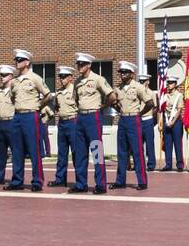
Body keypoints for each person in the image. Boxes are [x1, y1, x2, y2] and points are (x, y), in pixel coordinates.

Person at [72, 53, 115, 194]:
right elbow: (76, 100)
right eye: (78, 64)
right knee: (80, 153)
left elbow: (112, 95)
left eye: (83, 64)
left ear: (89, 65)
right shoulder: (77, 82)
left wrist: (103, 106)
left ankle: (101, 185)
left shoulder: (98, 79)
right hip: (81, 117)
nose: (80, 66)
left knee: (96, 151)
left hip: (93, 117)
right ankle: (80, 184)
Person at [9, 48, 51, 192]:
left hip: (30, 115)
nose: (16, 62)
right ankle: (17, 181)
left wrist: (38, 106)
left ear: (27, 62)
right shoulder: (14, 82)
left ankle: (37, 181)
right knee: (17, 150)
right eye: (16, 60)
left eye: (19, 60)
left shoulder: (35, 78)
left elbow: (47, 95)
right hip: (17, 115)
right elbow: (12, 98)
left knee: (34, 149)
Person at [111, 61, 153, 190]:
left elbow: (150, 103)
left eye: (125, 72)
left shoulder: (138, 87)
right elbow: (113, 101)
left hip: (134, 119)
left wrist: (139, 114)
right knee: (122, 152)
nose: (122, 74)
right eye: (121, 72)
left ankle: (142, 181)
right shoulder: (117, 88)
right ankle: (120, 181)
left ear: (131, 74)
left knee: (137, 151)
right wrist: (118, 108)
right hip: (123, 120)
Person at [47, 66, 79, 189]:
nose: (61, 79)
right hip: (62, 123)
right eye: (60, 76)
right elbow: (56, 107)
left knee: (76, 153)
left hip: (73, 122)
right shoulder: (58, 92)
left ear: (70, 78)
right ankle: (60, 179)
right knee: (62, 153)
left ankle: (79, 179)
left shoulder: (75, 90)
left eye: (64, 76)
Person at [0, 65, 17, 186]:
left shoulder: (15, 90)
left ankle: (16, 178)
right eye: (1, 75)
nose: (2, 77)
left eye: (4, 75)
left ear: (11, 76)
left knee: (16, 152)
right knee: (0, 152)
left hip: (12, 122)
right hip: (0, 123)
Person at [159, 73, 185, 171]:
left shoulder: (179, 95)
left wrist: (173, 122)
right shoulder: (164, 95)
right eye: (168, 83)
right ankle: (168, 164)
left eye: (171, 83)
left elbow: (179, 110)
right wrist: (161, 122)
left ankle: (180, 165)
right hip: (166, 120)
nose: (168, 85)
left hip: (176, 122)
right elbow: (161, 110)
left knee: (178, 144)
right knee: (168, 144)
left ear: (175, 84)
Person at [137, 71, 158, 174]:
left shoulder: (151, 93)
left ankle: (151, 164)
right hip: (138, 120)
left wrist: (152, 118)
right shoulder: (137, 91)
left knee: (149, 144)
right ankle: (140, 164)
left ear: (148, 82)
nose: (141, 83)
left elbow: (155, 107)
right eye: (140, 81)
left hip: (147, 120)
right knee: (138, 144)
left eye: (143, 81)